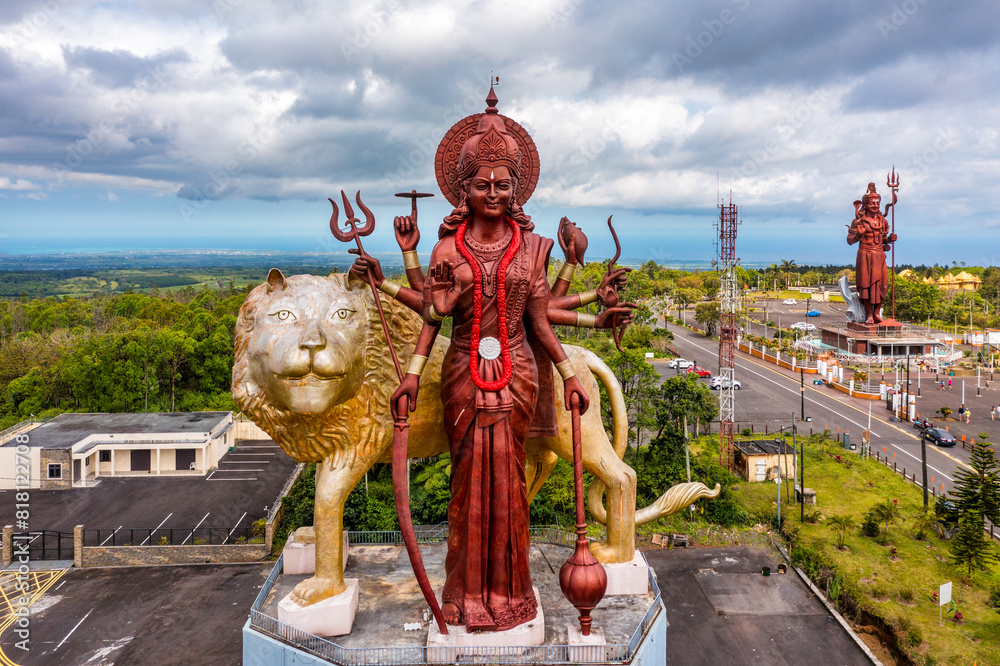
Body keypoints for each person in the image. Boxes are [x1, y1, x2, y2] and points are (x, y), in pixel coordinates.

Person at [360, 88, 631, 633]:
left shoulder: (533, 251)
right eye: (481, 184)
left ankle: (512, 595)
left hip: (519, 373)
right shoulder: (446, 250)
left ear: (516, 189)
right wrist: (412, 376)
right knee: (468, 484)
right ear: (463, 189)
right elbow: (434, 316)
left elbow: (538, 319)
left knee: (508, 484)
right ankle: (461, 594)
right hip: (462, 370)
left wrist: (571, 372)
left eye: (502, 184)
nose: (492, 192)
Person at [846, 183, 897, 324]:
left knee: (882, 285)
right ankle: (869, 314)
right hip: (865, 255)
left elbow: (883, 240)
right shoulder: (858, 221)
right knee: (866, 286)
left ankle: (876, 314)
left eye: (877, 203)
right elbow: (850, 240)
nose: (875, 206)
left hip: (879, 255)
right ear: (865, 204)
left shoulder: (883, 221)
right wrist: (859, 236)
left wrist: (890, 239)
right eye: (872, 203)